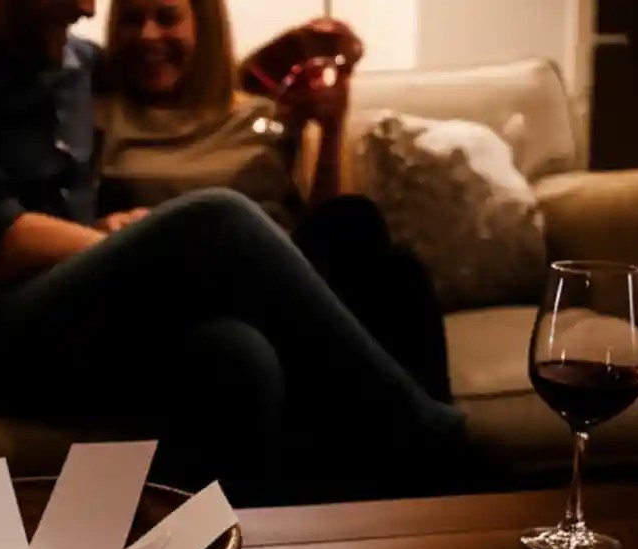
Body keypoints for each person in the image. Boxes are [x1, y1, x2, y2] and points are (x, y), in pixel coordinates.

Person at [0, 0, 468, 506]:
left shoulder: (63, 65)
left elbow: (191, 75)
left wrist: (293, 60)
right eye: (70, 6)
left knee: (234, 353)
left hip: (64, 321)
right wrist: (128, 243)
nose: (88, 13)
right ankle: (438, 446)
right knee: (213, 220)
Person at [96, 0, 452, 402]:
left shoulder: (262, 114)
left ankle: (422, 445)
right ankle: (435, 436)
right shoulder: (99, 118)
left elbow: (325, 222)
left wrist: (331, 128)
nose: (147, 35)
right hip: (186, 293)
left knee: (385, 256)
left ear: (204, 26)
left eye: (166, 18)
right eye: (131, 20)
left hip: (291, 283)